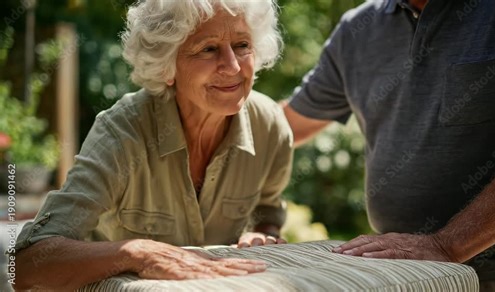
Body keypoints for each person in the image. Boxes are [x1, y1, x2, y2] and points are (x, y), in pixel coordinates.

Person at [13, 0, 293, 290]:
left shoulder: (270, 128)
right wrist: (137, 254)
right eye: (208, 49)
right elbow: (25, 265)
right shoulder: (121, 134)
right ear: (166, 66)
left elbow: (268, 213)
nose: (233, 66)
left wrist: (261, 234)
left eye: (242, 45)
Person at [282, 0, 495, 290]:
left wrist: (447, 245)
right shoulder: (358, 29)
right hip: (402, 274)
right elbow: (285, 126)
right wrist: (218, 101)